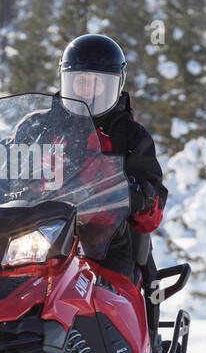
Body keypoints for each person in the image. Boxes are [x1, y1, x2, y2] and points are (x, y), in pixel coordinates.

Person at [57, 34, 167, 290]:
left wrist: (139, 196)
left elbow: (154, 206)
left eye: (96, 83)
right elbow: (5, 159)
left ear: (113, 86)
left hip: (106, 244)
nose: (87, 89)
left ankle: (135, 323)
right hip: (41, 237)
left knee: (125, 283)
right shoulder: (39, 126)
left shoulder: (130, 136)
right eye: (80, 81)